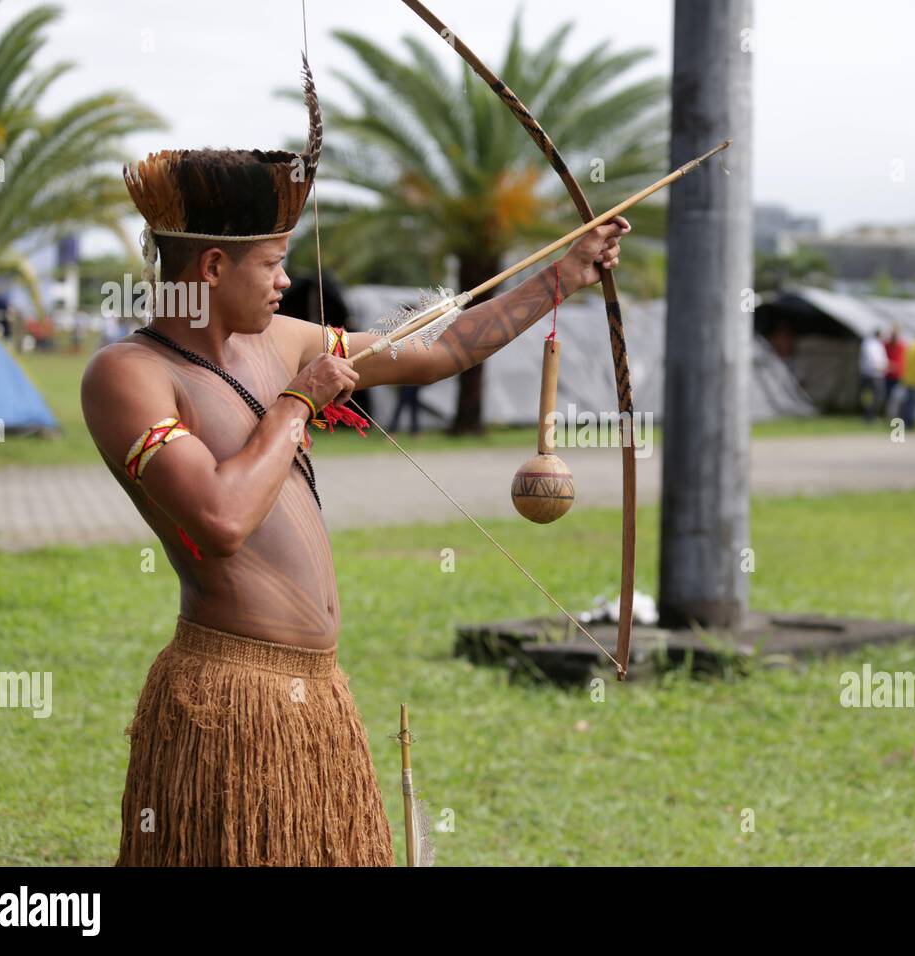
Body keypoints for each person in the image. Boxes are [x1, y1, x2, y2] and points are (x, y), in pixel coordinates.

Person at [81, 61, 628, 866]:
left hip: (317, 698)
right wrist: (300, 402)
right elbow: (221, 520)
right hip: (228, 697)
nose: (288, 279)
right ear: (210, 269)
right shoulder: (127, 374)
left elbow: (436, 349)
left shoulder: (286, 340)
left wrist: (558, 278)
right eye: (272, 263)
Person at [859, 329, 888, 422]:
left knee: (871, 397)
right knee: (874, 397)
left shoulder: (875, 344)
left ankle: (870, 416)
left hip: (875, 374)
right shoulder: (871, 344)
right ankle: (869, 416)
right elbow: (874, 359)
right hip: (873, 374)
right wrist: (881, 367)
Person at [883, 326, 906, 421]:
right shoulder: (886, 345)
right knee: (889, 398)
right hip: (888, 376)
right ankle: (890, 417)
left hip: (898, 377)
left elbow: (903, 361)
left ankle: (897, 417)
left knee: (898, 398)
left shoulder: (902, 346)